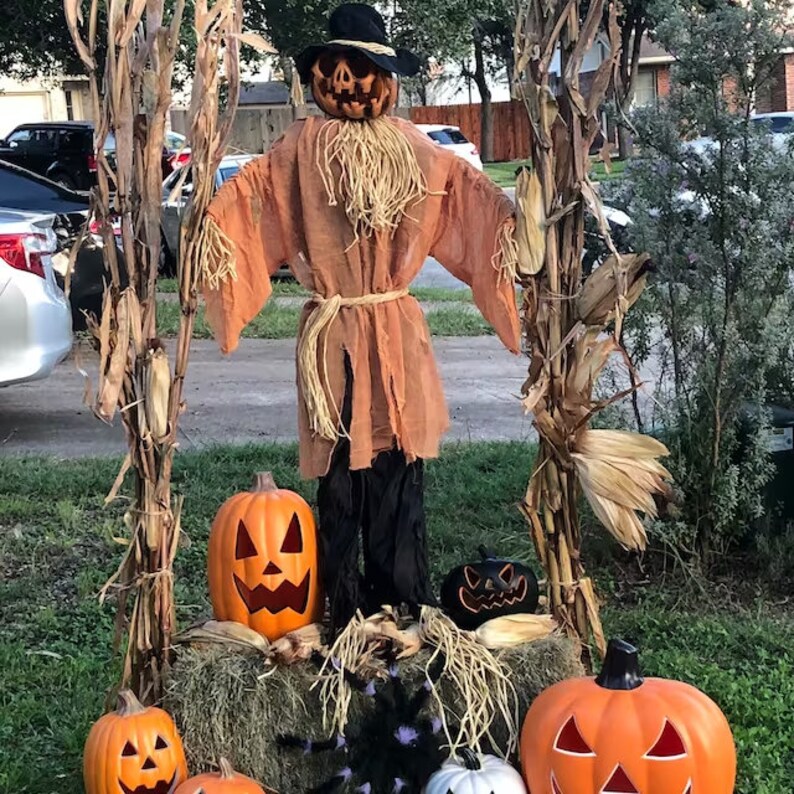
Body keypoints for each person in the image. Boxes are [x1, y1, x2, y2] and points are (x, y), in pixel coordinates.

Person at [200, 3, 521, 632]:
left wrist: (517, 225)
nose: (346, 81)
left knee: (398, 462)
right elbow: (251, 198)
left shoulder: (413, 150)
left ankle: (403, 604)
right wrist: (210, 230)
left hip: (391, 329)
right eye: (335, 67)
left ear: (386, 77)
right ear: (320, 72)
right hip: (334, 334)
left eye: (361, 67)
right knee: (341, 471)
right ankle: (345, 606)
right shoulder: (300, 149)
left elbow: (470, 200)